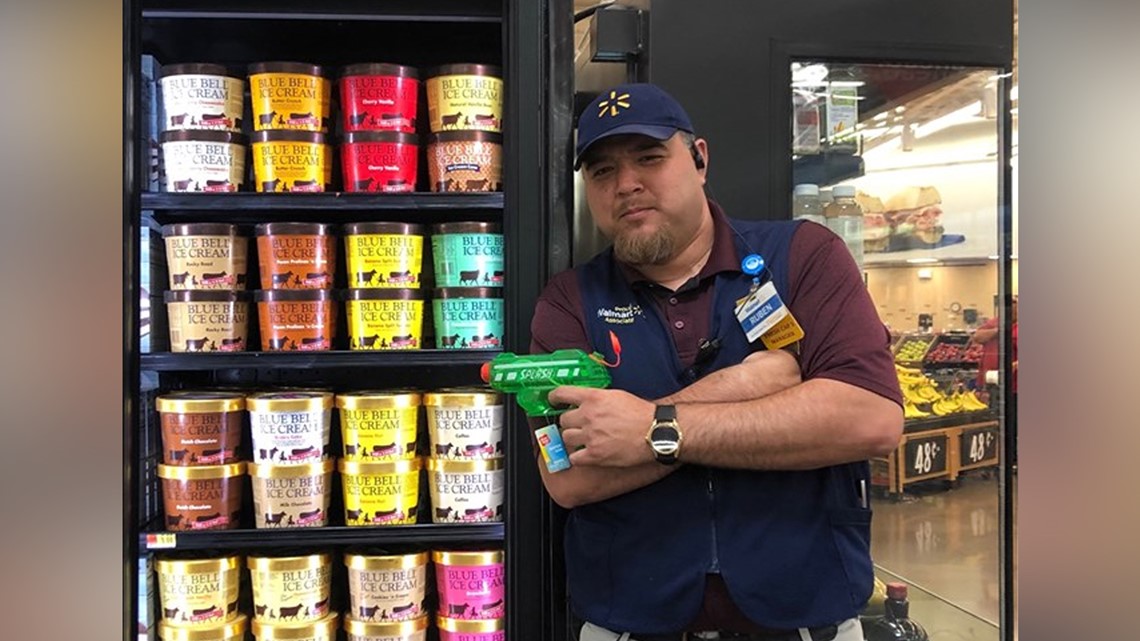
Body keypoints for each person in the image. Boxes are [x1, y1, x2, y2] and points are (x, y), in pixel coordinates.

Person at [528, 83, 904, 641]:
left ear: (699, 158)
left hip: (806, 615)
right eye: (602, 171)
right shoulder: (568, 300)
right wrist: (742, 385)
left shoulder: (804, 256)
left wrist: (648, 430)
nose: (626, 184)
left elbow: (869, 419)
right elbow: (568, 477)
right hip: (629, 620)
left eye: (650, 158)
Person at [969, 296, 1017, 464]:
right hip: (992, 380)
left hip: (1015, 382)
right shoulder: (995, 323)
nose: (1010, 309)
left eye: (1013, 305)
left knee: (1013, 420)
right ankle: (996, 456)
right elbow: (978, 336)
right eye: (1007, 306)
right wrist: (999, 330)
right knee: (995, 418)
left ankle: (1012, 458)